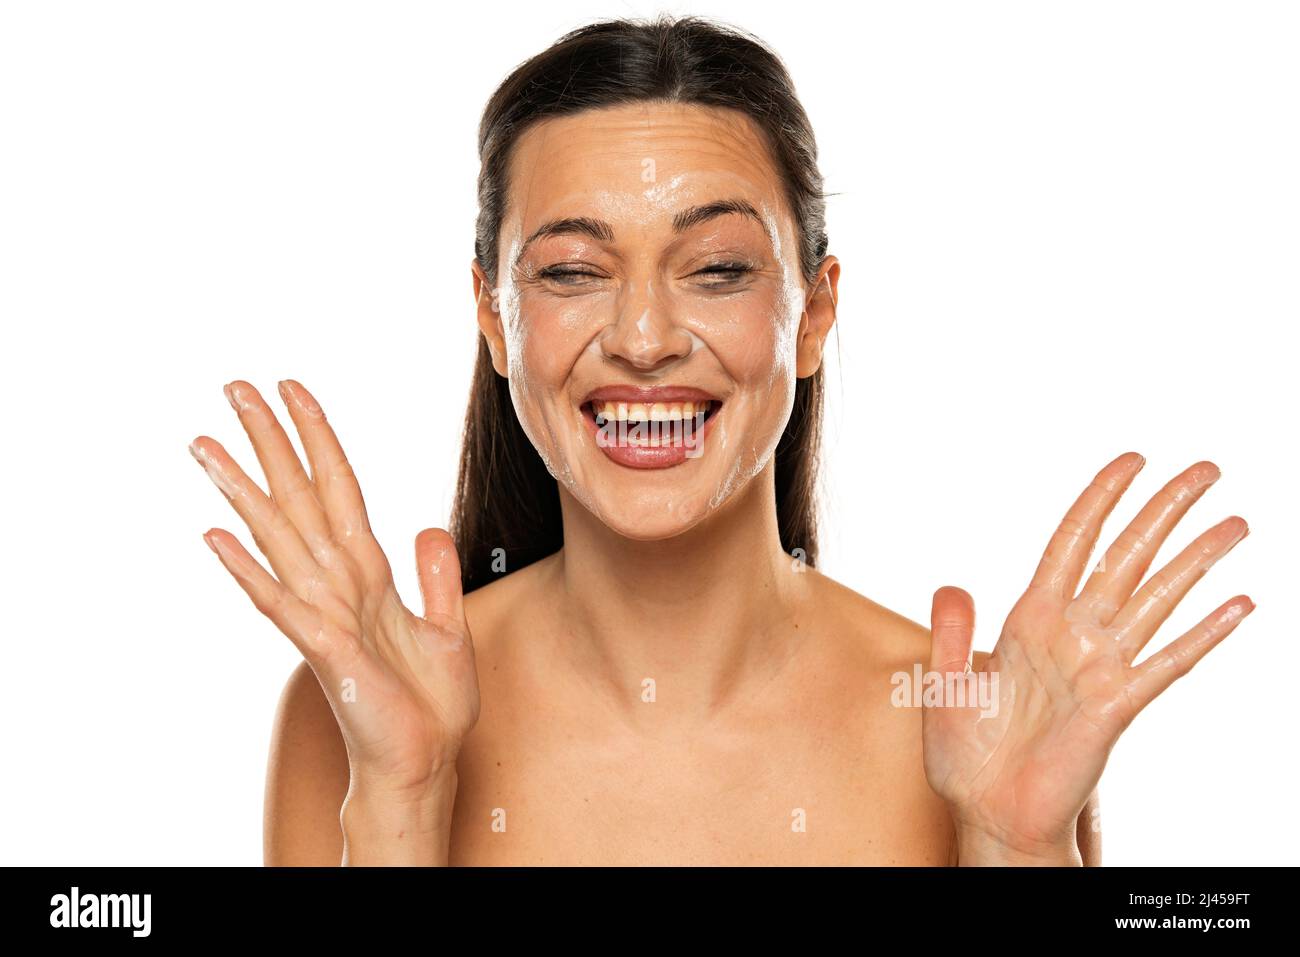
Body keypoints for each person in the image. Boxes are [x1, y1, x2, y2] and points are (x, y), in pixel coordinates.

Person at [189, 15, 1254, 865]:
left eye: (717, 269)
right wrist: (404, 798)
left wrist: (1013, 848)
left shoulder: (975, 731)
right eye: (570, 271)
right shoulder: (361, 715)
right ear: (492, 318)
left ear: (814, 312)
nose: (643, 339)